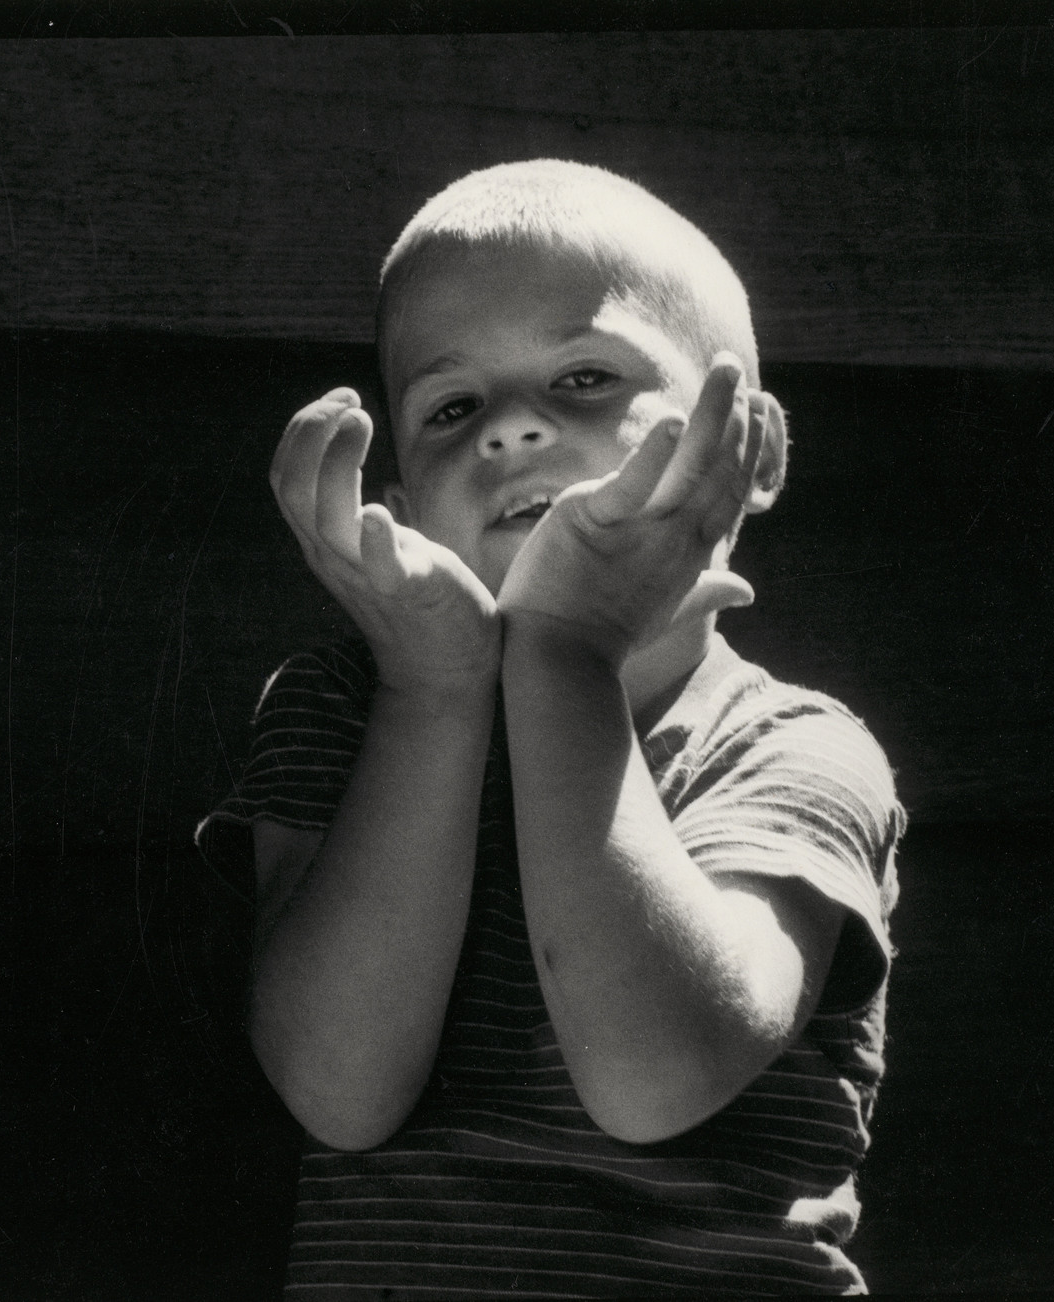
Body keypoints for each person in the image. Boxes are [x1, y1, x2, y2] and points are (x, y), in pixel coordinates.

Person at [197, 159, 905, 1297]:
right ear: (402, 503)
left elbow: (653, 1079)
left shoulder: (790, 746)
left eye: (584, 377)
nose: (514, 429)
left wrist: (566, 651)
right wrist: (431, 692)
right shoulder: (343, 707)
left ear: (751, 450)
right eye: (452, 408)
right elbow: (339, 1092)